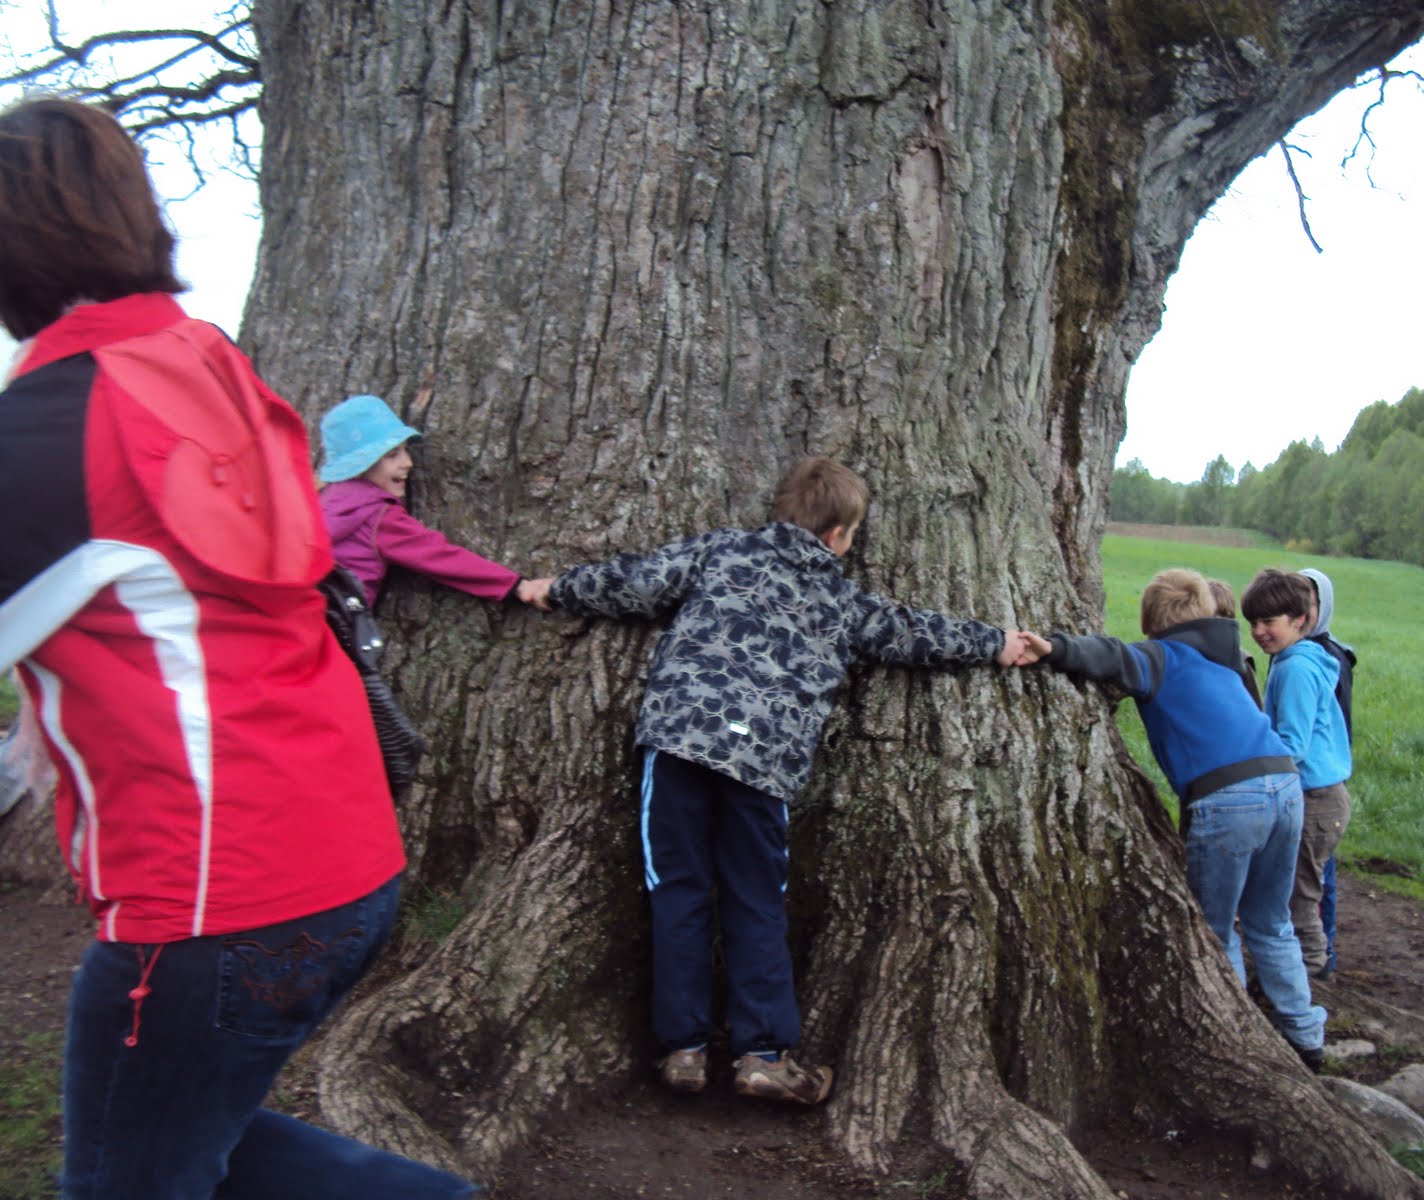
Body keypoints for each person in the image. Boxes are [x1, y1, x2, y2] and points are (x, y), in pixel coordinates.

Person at [0, 97, 476, 1199]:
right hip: (345, 861)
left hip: (216, 906)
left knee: (132, 1171)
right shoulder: (204, 362)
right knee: (170, 1134)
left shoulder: (48, 434)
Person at [528, 457, 1039, 1103]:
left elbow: (637, 582)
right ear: (837, 537)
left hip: (680, 742)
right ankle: (762, 1054)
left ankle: (683, 1049)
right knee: (754, 898)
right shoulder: (840, 598)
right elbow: (913, 632)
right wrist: (996, 642)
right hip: (762, 763)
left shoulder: (722, 552)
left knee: (677, 888)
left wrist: (556, 588)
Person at [1021, 569, 1326, 1069]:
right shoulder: (1227, 662)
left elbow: (1112, 655)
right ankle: (1306, 1034)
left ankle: (1237, 1041)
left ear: (1150, 623)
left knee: (1214, 930)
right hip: (1286, 786)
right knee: (1272, 920)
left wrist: (1052, 647)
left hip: (1228, 798)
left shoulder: (1164, 658)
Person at [318, 393, 540, 608]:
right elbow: (437, 557)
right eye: (392, 455)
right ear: (362, 464)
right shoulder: (376, 516)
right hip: (331, 627)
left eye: (405, 451)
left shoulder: (323, 501)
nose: (408, 463)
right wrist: (515, 586)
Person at [1241, 568, 1353, 981]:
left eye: (1269, 622)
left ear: (1300, 620)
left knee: (1299, 894)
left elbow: (1293, 745)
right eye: (1252, 622)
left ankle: (1310, 973)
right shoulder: (1294, 659)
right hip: (1319, 797)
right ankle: (1304, 967)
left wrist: (1248, 757)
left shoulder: (1295, 670)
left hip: (1315, 800)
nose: (1258, 631)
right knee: (1296, 889)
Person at [1300, 567, 1357, 978]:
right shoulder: (1295, 653)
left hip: (1320, 783)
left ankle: (1322, 960)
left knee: (1319, 878)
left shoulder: (1323, 657)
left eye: (1309, 603)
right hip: (1315, 780)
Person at [1205, 578, 1261, 706]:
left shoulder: (1240, 662)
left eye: (1222, 619)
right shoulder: (1186, 657)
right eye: (1207, 619)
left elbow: (1255, 708)